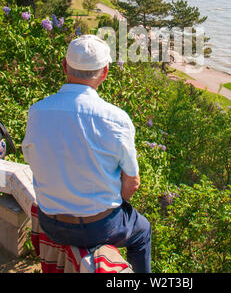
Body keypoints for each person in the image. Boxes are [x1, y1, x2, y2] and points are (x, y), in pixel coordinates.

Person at [22, 34, 151, 273]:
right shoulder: (116, 118)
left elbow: (31, 160)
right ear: (105, 72)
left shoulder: (37, 111)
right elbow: (132, 183)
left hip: (50, 223)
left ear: (64, 66)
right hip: (100, 227)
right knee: (142, 230)